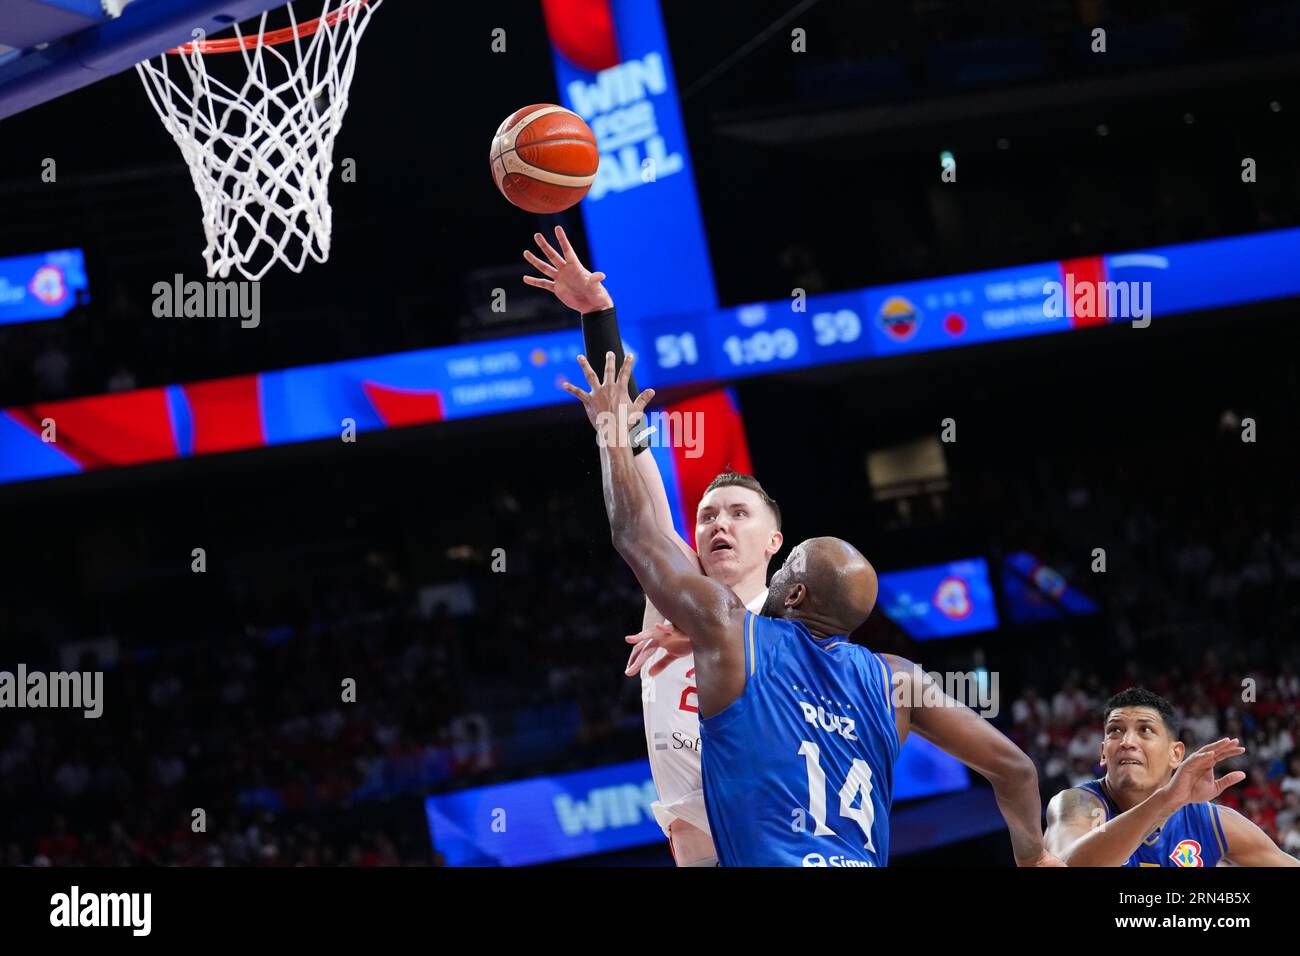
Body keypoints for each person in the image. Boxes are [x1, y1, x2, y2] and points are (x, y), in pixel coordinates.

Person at [563, 349, 1062, 867]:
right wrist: (1034, 856)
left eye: (787, 568)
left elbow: (635, 531)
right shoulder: (896, 680)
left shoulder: (731, 632)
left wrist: (611, 431)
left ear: (790, 581)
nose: (720, 525)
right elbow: (1016, 768)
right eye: (710, 515)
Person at [524, 226, 782, 865]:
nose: (719, 523)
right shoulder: (675, 586)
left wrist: (709, 634)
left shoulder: (792, 611)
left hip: (780, 835)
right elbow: (634, 461)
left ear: (776, 540)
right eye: (708, 515)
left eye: (738, 514)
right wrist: (598, 315)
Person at [1043, 687, 1299, 866]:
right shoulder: (1076, 805)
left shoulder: (1211, 821)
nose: (1127, 741)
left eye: (1145, 730)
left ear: (1175, 754)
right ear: (1102, 753)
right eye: (1115, 731)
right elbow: (1064, 867)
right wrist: (1166, 801)